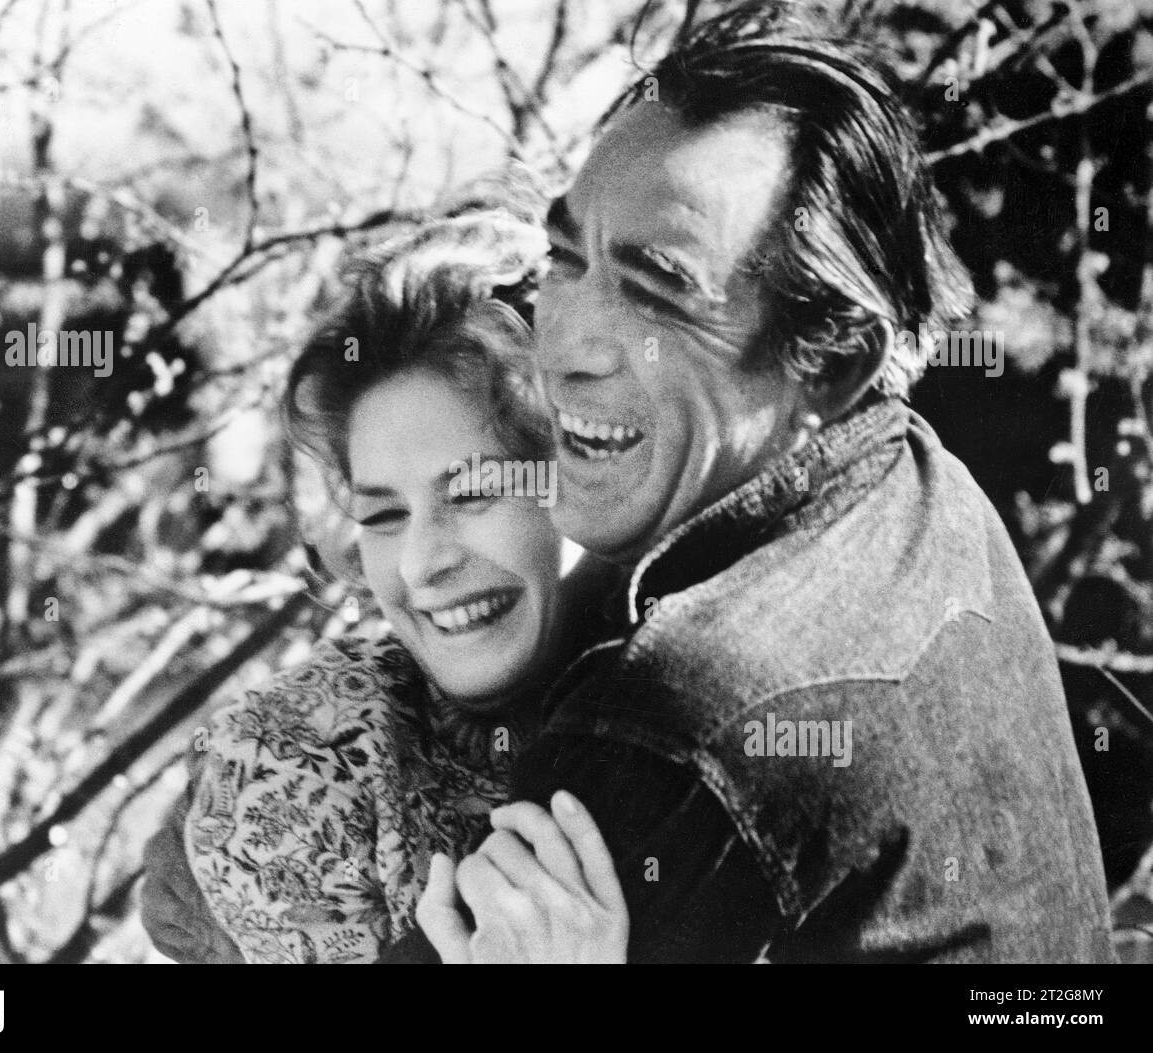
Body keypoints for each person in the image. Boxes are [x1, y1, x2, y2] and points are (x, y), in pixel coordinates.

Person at [407, 1, 1116, 964]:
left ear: (831, 360)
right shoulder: (916, 480)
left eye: (659, 293)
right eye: (565, 260)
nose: (563, 345)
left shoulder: (686, 720)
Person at [142, 205, 620, 963]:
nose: (422, 561)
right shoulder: (307, 769)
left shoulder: (703, 678)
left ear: (589, 471)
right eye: (384, 514)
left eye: (470, 493)